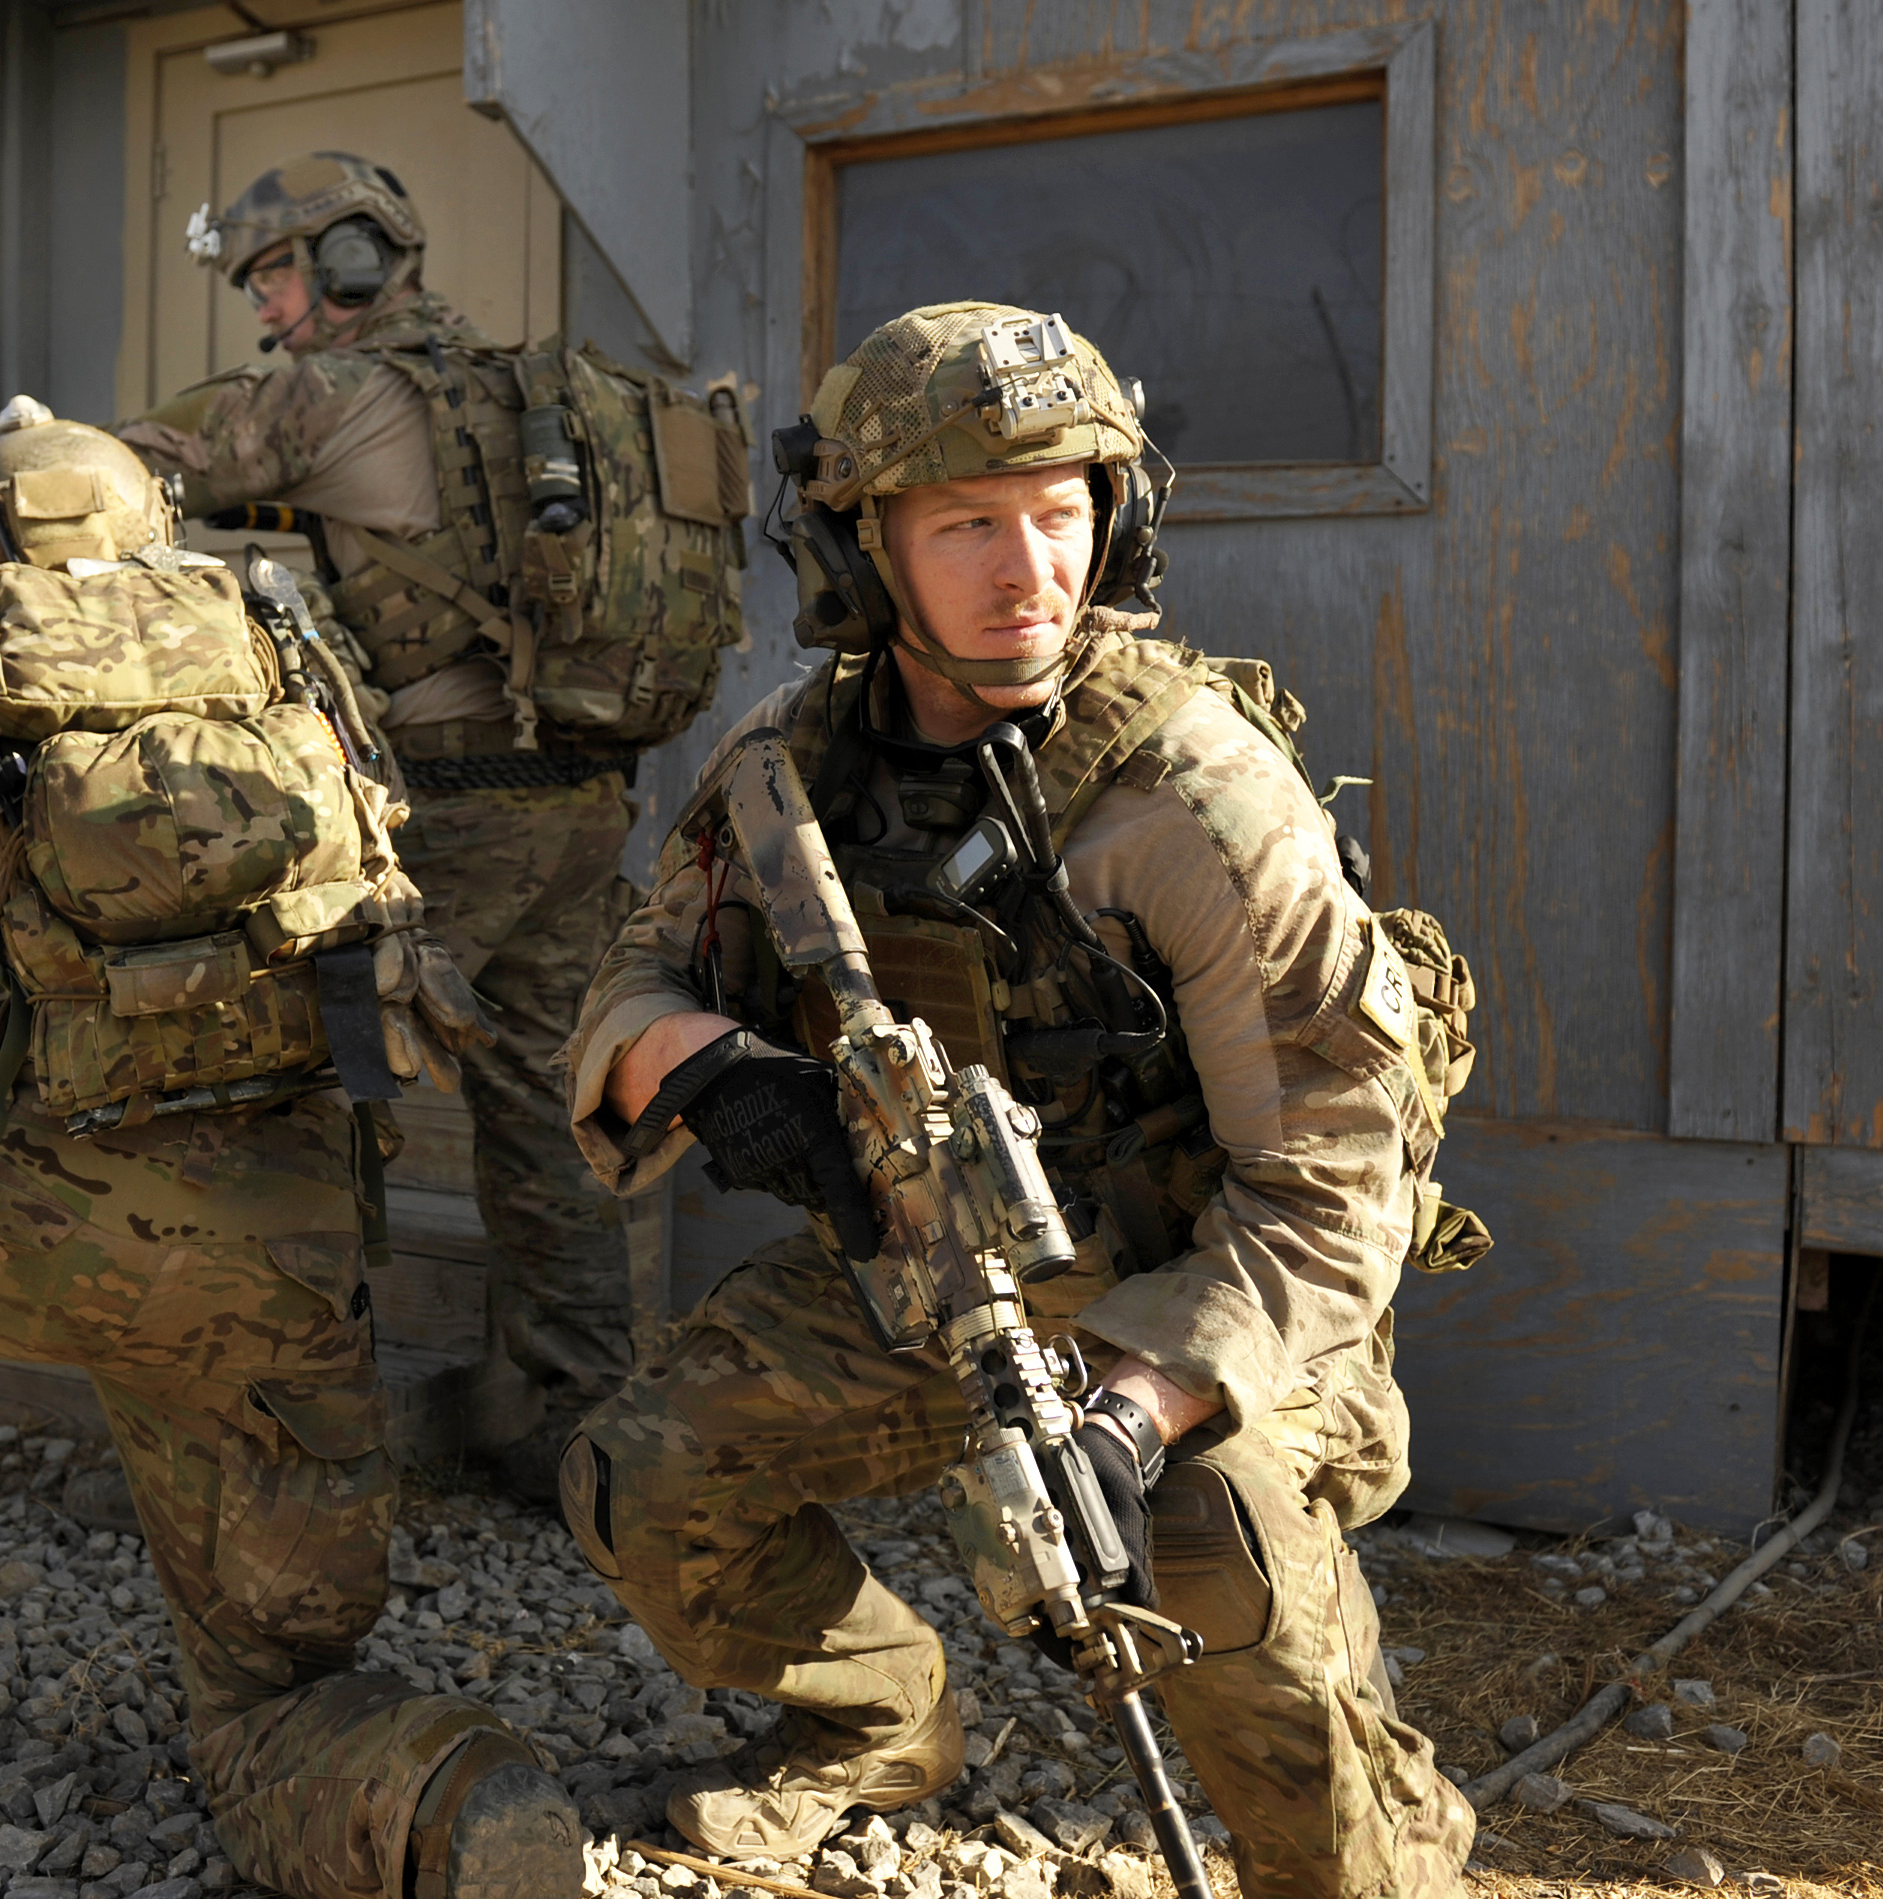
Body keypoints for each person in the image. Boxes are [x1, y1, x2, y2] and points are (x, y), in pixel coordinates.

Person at [552, 303, 1483, 1894]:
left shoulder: (1189, 795)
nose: (1028, 567)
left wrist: (1134, 1412)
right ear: (864, 550)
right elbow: (629, 985)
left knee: (1208, 1559)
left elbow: (1333, 1191)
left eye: (1062, 516)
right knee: (647, 1480)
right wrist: (709, 1068)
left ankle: (1373, 1862)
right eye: (968, 523)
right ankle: (877, 1726)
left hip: (1206, 1293)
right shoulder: (792, 767)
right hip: (930, 1267)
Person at [0, 399, 581, 1899]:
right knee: (273, 1687)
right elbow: (374, 994)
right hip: (285, 1265)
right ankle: (439, 1802)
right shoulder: (305, 693)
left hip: (13, 1225)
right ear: (160, 531)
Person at [118, 151, 639, 1499]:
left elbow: (100, 473)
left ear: (354, 259)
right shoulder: (532, 394)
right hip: (579, 809)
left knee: (295, 1093)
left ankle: (284, 1449)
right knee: (543, 1118)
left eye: (277, 272)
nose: (265, 309)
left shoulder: (328, 395)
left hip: (445, 827)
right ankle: (589, 1436)